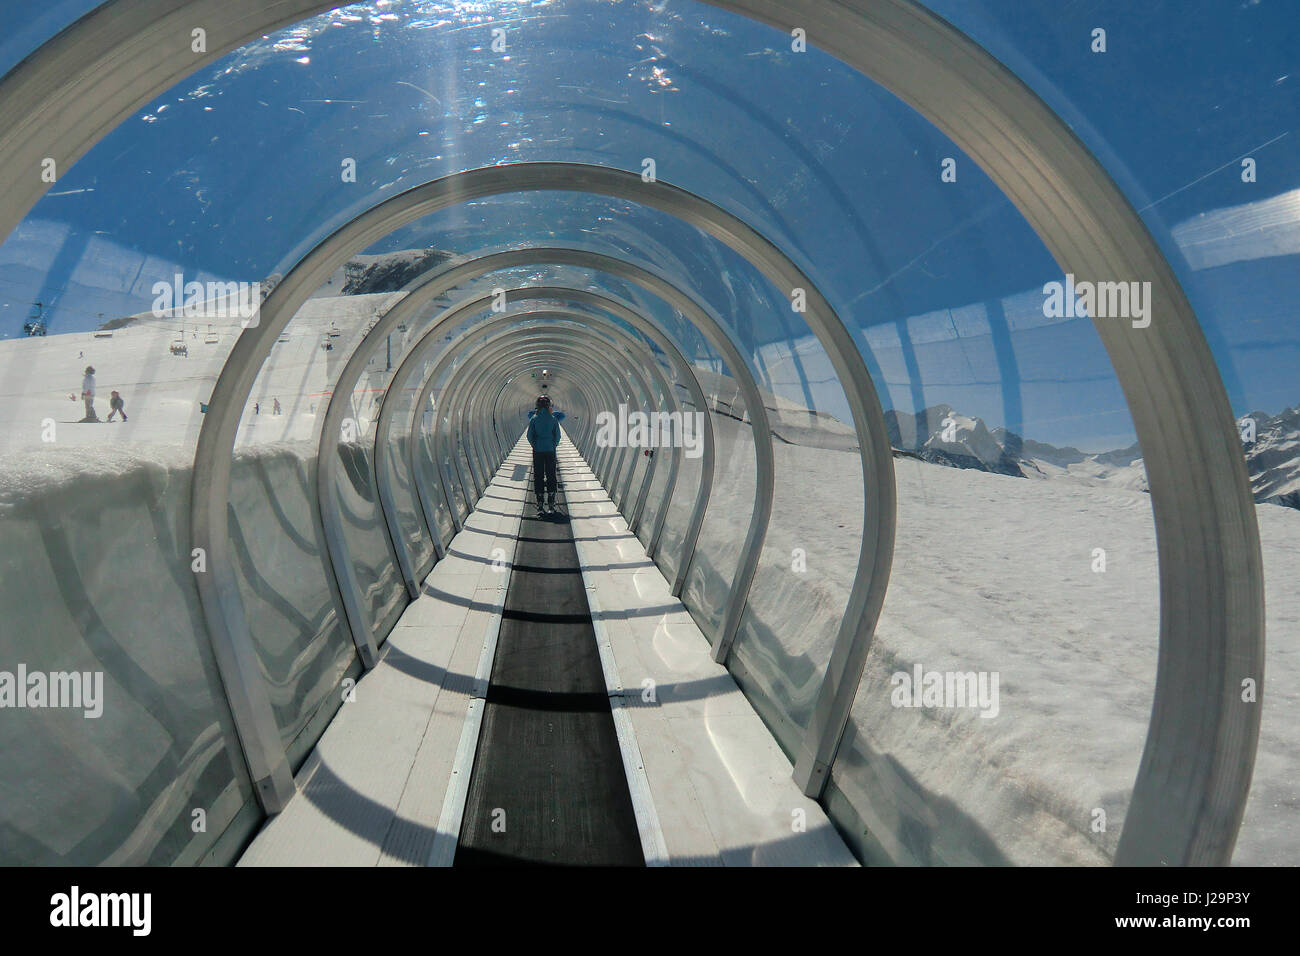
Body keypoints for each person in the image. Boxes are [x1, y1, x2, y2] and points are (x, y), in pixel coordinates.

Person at [526, 394, 560, 515]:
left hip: (538, 451)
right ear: (549, 406)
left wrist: (535, 445)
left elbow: (529, 436)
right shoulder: (553, 419)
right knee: (551, 474)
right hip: (550, 450)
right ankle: (551, 503)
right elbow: (558, 436)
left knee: (538, 475)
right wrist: (553, 445)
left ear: (537, 406)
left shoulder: (534, 419)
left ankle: (540, 503)